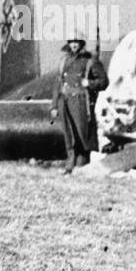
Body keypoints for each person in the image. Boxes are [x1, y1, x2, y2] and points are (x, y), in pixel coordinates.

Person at [50, 35, 109, 173]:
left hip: (81, 101)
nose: (74, 45)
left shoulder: (90, 61)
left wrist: (90, 83)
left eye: (76, 42)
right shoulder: (64, 61)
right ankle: (70, 165)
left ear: (81, 43)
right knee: (68, 133)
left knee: (82, 134)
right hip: (65, 101)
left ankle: (82, 165)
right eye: (71, 42)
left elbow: (104, 82)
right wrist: (54, 105)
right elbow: (57, 83)